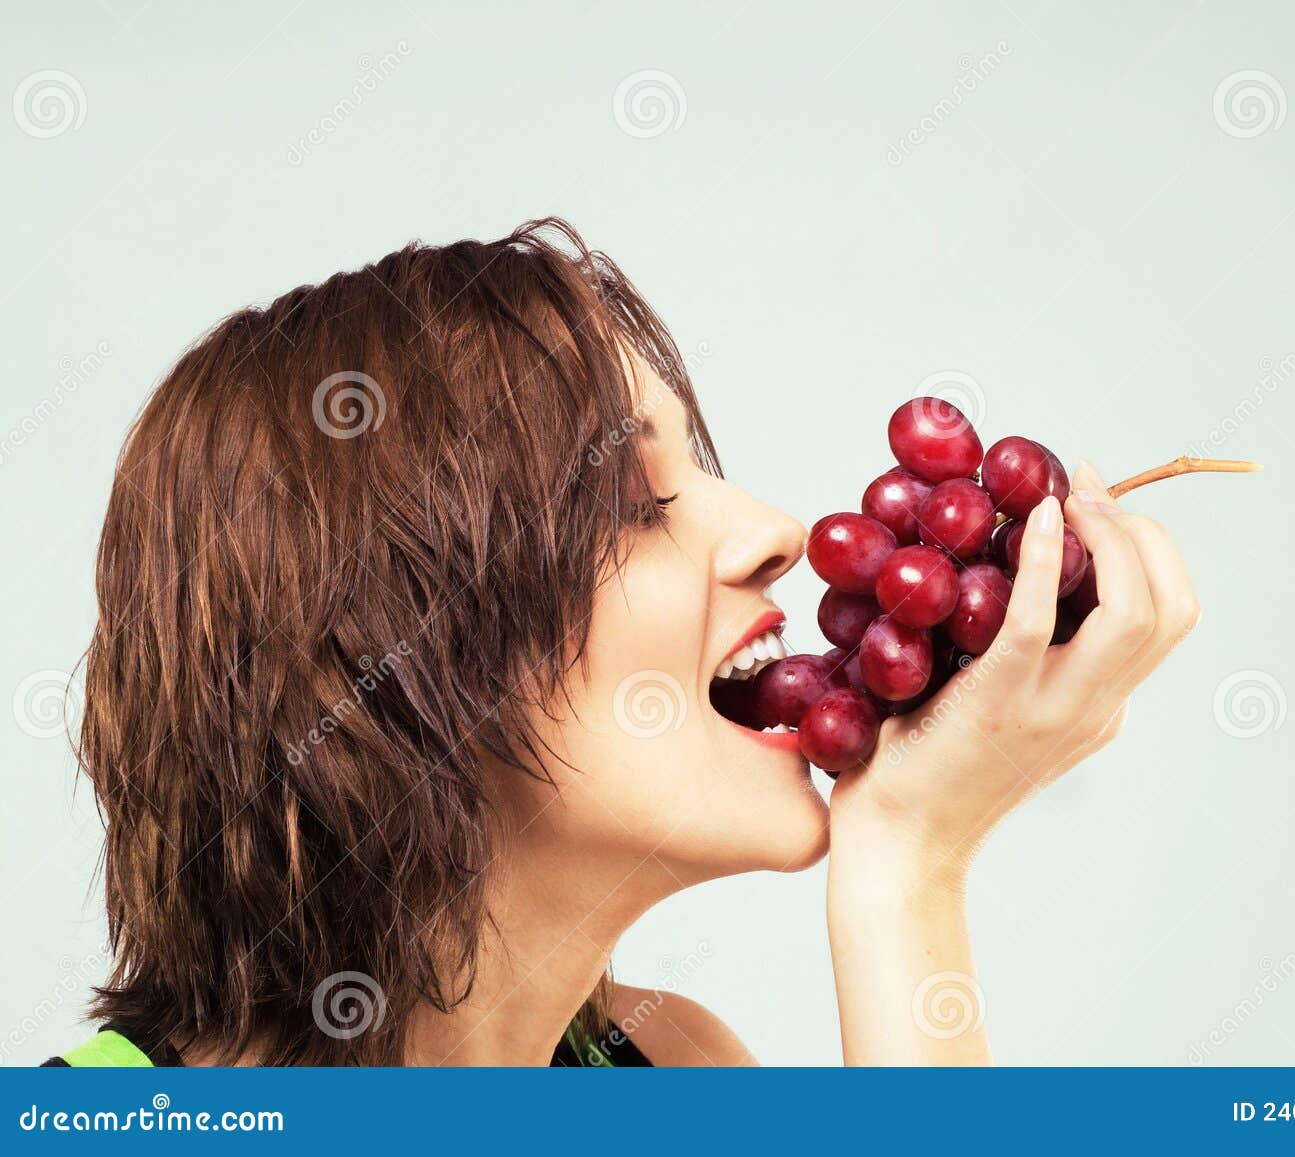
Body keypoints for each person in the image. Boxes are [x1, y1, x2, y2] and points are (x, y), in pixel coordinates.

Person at [49, 219, 1198, 1066]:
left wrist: (907, 859)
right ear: (369, 657)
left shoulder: (680, 1070)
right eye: (628, 501)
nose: (775, 532)